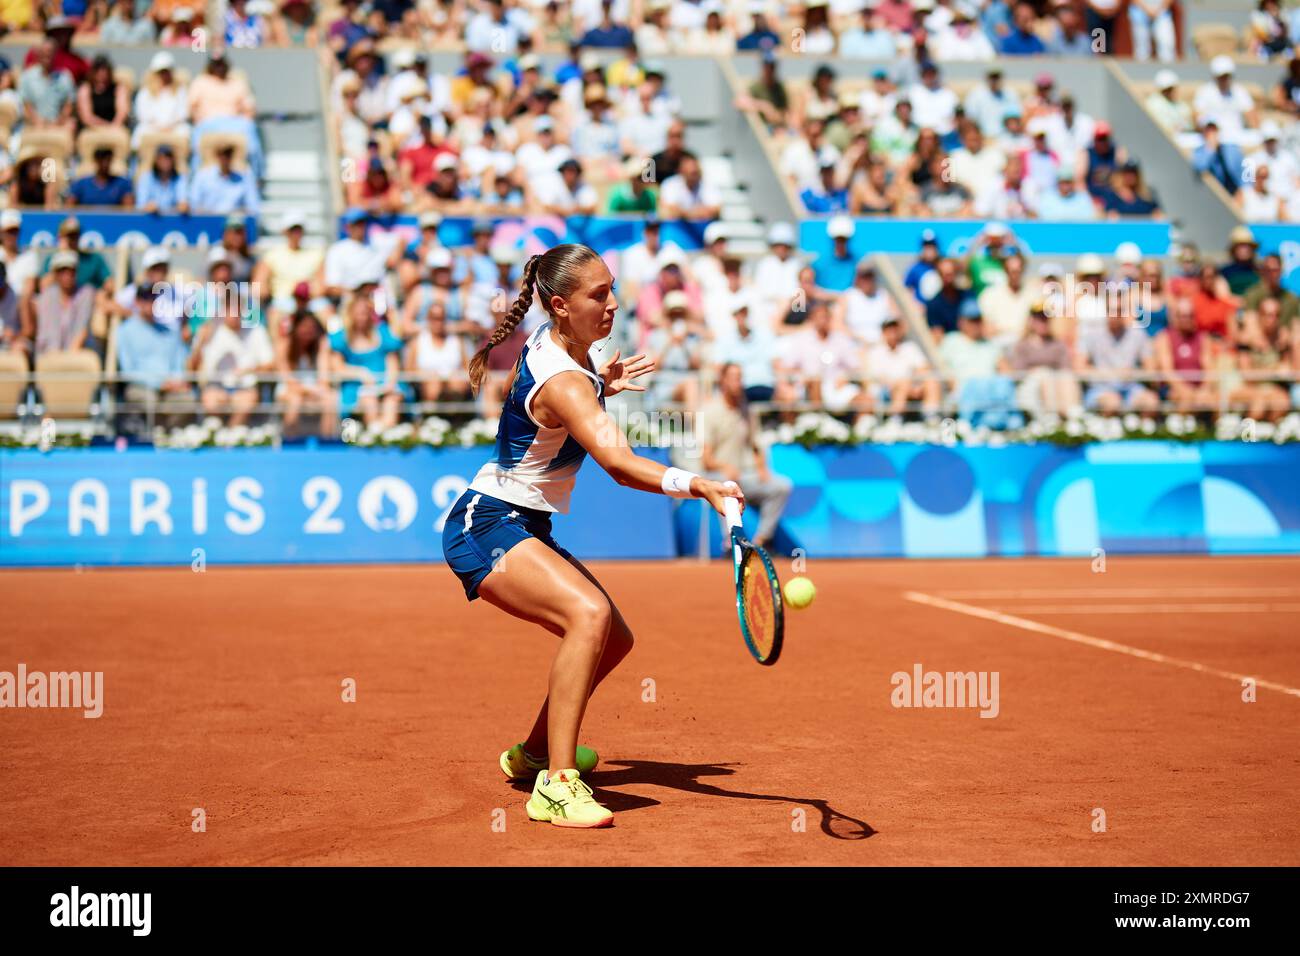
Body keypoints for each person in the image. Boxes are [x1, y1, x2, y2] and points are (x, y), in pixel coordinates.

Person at [440, 243, 742, 829]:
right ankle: (555, 785)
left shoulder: (567, 356)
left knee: (615, 637)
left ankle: (532, 754)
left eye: (611, 290)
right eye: (598, 295)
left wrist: (599, 380)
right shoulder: (566, 381)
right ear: (559, 304)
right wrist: (698, 483)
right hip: (487, 525)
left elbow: (563, 391)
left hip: (523, 522)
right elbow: (622, 465)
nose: (613, 304)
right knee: (588, 617)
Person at [696, 361, 792, 549]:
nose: (738, 383)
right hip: (718, 477)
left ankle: (761, 541)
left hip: (745, 477)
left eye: (740, 378)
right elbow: (705, 460)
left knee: (781, 486)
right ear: (722, 381)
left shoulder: (748, 410)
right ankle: (731, 544)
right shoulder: (708, 411)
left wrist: (763, 468)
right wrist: (725, 468)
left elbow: (756, 445)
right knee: (726, 485)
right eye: (733, 378)